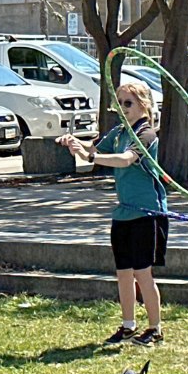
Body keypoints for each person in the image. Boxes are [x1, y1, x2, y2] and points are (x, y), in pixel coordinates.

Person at [57, 80, 169, 346]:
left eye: (128, 103)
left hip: (147, 213)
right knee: (123, 272)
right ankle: (128, 325)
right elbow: (93, 152)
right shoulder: (119, 132)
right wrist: (76, 144)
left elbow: (125, 160)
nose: (122, 108)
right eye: (119, 103)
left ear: (143, 105)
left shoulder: (146, 135)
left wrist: (92, 157)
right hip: (123, 214)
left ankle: (155, 328)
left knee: (143, 273)